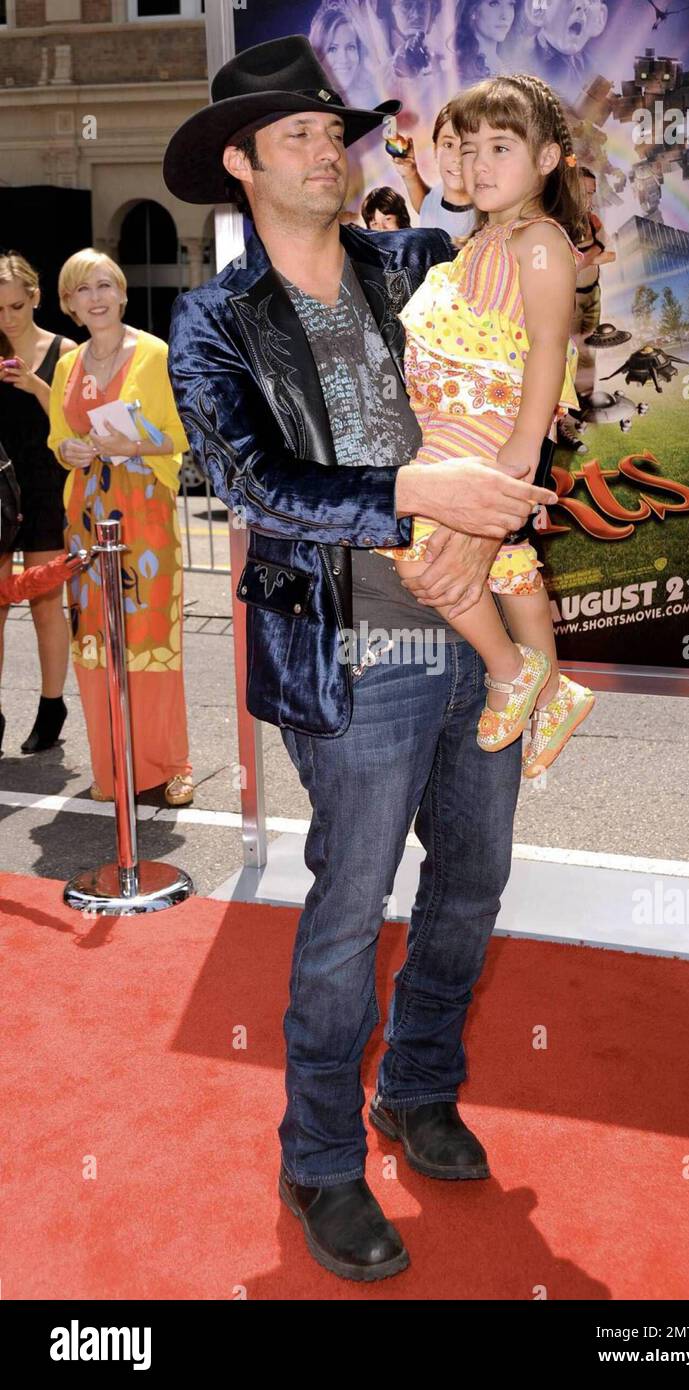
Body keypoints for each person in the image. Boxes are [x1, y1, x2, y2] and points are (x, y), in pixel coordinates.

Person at [163, 35, 556, 1284]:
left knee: (474, 883)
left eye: (337, 132)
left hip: (475, 619)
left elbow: (525, 365)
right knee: (347, 911)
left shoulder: (420, 259)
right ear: (239, 162)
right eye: (297, 136)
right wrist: (410, 491)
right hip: (350, 649)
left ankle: (419, 1090)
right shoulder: (214, 319)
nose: (328, 150)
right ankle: (321, 1156)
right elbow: (245, 479)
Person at [376, 72, 595, 773]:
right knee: (504, 562)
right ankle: (554, 689)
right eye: (467, 150)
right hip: (453, 417)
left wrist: (522, 449)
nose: (478, 165)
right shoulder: (479, 241)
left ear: (545, 160)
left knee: (413, 541)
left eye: (500, 147)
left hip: (486, 420)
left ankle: (510, 669)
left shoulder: (538, 240)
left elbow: (546, 348)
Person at [46, 249, 194, 807]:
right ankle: (113, 767)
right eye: (84, 289)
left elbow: (181, 432)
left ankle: (169, 765)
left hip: (143, 513)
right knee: (95, 641)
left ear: (123, 293)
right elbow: (59, 438)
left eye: (106, 284)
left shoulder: (153, 354)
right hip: (85, 518)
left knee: (151, 639)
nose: (97, 297)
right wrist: (71, 449)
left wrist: (135, 444)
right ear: (70, 304)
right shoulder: (67, 364)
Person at [0, 251, 78, 756]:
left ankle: (52, 706)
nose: (6, 318)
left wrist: (34, 384)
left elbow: (72, 419)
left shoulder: (64, 350)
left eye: (14, 306)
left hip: (47, 487)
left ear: (35, 297)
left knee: (47, 605)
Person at [391, 103, 476, 238]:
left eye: (468, 146)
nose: (457, 158)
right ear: (435, 150)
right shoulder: (435, 198)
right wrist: (411, 175)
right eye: (448, 145)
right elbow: (428, 207)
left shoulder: (494, 215)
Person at [569, 164, 616, 395]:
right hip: (570, 298)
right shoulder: (559, 221)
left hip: (593, 294)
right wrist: (595, 250)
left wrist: (587, 256)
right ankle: (563, 407)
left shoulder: (593, 220)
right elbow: (567, 263)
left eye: (592, 193)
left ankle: (585, 396)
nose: (590, 198)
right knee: (569, 350)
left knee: (589, 349)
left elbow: (611, 254)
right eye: (585, 192)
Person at [309, 0, 381, 110]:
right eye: (332, 49)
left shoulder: (375, 94)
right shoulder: (313, 94)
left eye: (350, 47)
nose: (343, 59)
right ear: (317, 54)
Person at [453, 0, 517, 84]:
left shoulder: (509, 68)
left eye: (510, 4)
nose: (505, 16)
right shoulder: (457, 74)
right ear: (473, 11)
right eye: (494, 4)